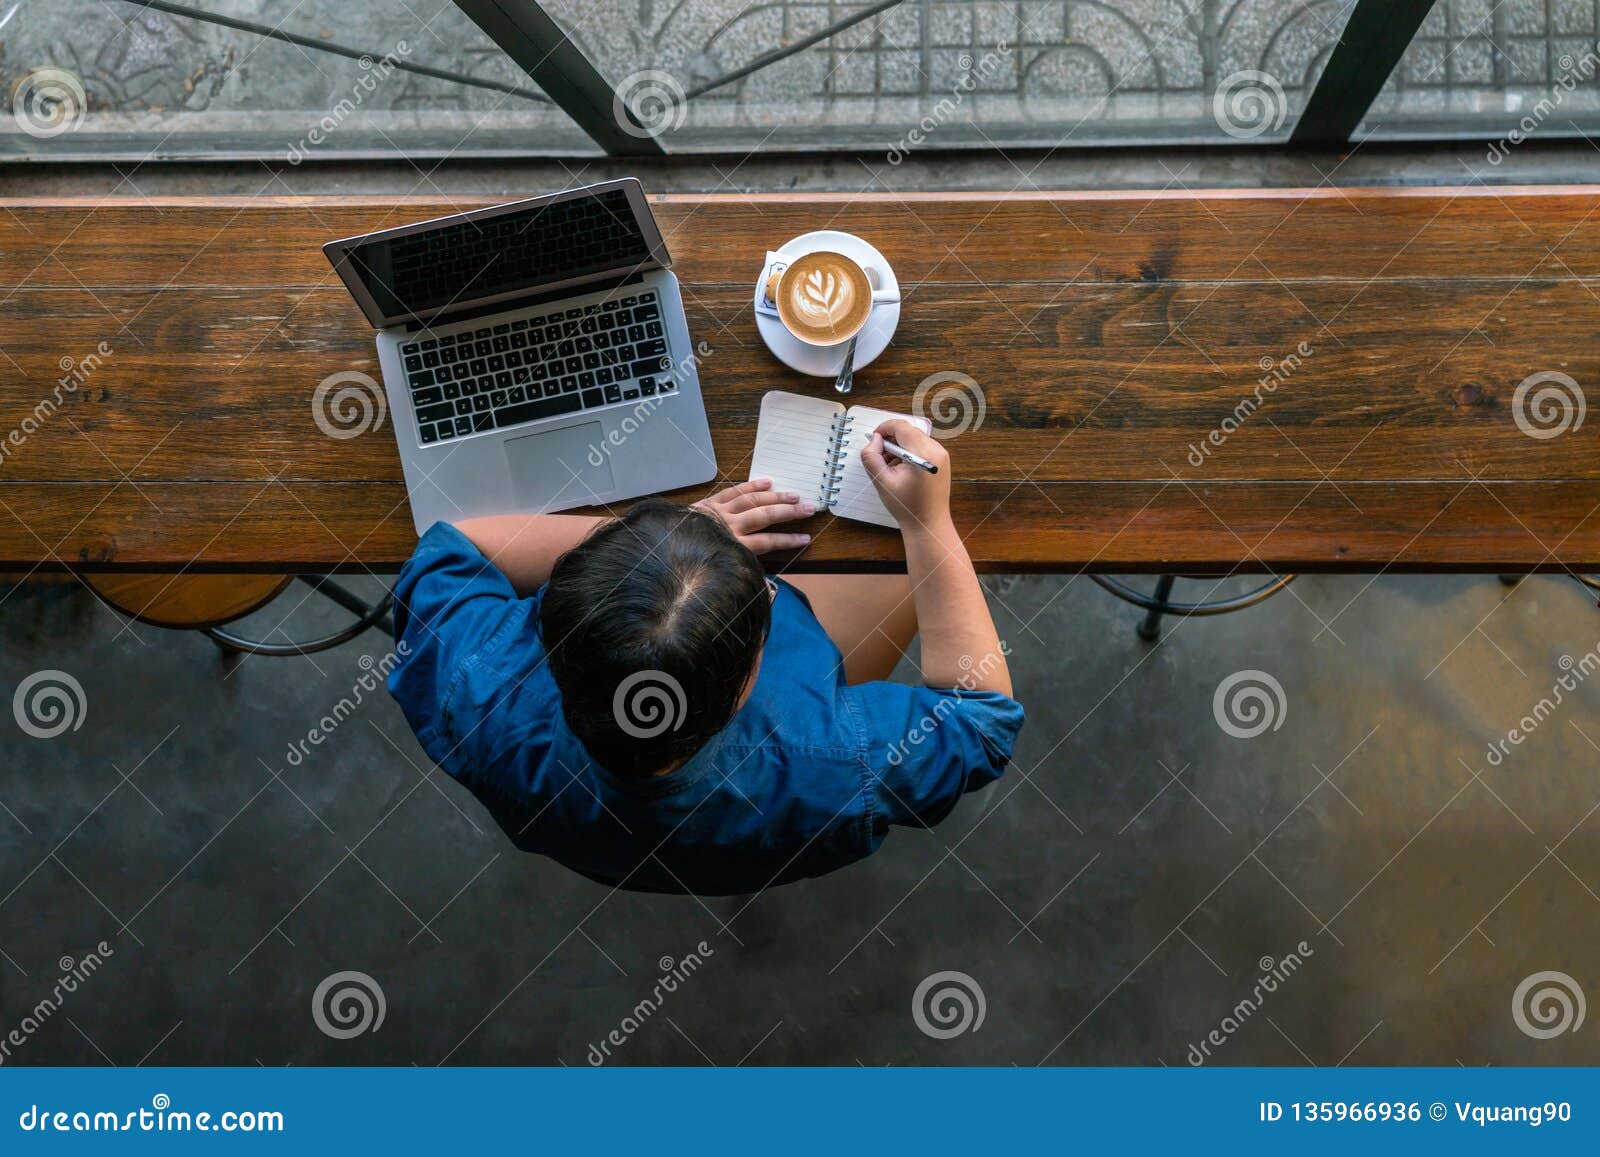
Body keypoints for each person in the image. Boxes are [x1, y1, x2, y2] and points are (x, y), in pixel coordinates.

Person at [387, 420, 1024, 895]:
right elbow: (983, 722)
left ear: (557, 629)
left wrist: (665, 543)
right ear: (751, 681)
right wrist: (926, 522)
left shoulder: (474, 692)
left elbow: (447, 551)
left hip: (593, 841)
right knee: (895, 560)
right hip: (755, 829)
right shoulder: (831, 759)